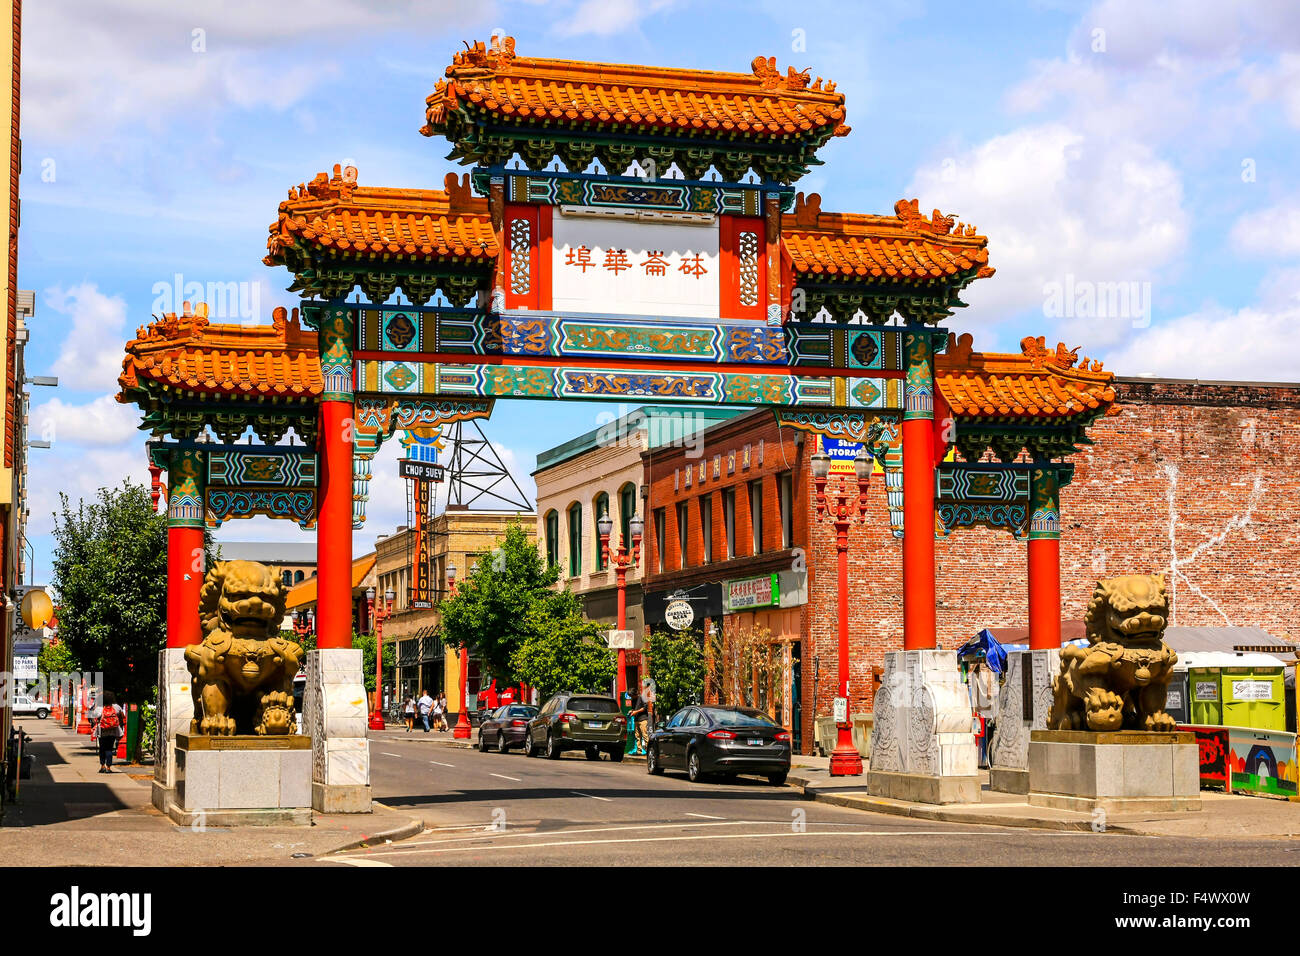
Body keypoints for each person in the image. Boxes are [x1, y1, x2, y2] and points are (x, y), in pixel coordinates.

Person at [91, 691, 126, 773]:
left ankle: (102, 766)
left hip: (102, 731)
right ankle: (108, 767)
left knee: (102, 749)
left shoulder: (100, 708)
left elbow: (94, 717)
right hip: (113, 731)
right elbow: (122, 717)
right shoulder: (116, 707)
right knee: (109, 748)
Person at [629, 684, 649, 755]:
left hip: (643, 719)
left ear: (635, 694)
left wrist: (636, 712)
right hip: (636, 719)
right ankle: (639, 750)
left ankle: (648, 751)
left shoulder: (642, 697)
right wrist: (631, 711)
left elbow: (645, 708)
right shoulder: (633, 700)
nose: (632, 697)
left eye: (632, 696)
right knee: (637, 736)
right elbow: (634, 708)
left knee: (645, 735)